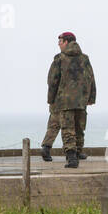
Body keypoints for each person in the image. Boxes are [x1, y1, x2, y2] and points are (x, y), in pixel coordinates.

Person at [45, 32, 97, 169]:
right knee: (79, 128)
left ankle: (72, 157)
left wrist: (51, 99)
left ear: (67, 42)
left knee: (68, 129)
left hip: (64, 101)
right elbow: (91, 79)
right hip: (81, 101)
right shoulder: (85, 59)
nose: (58, 44)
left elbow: (52, 81)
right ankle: (78, 152)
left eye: (60, 41)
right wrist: (91, 98)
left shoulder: (60, 59)